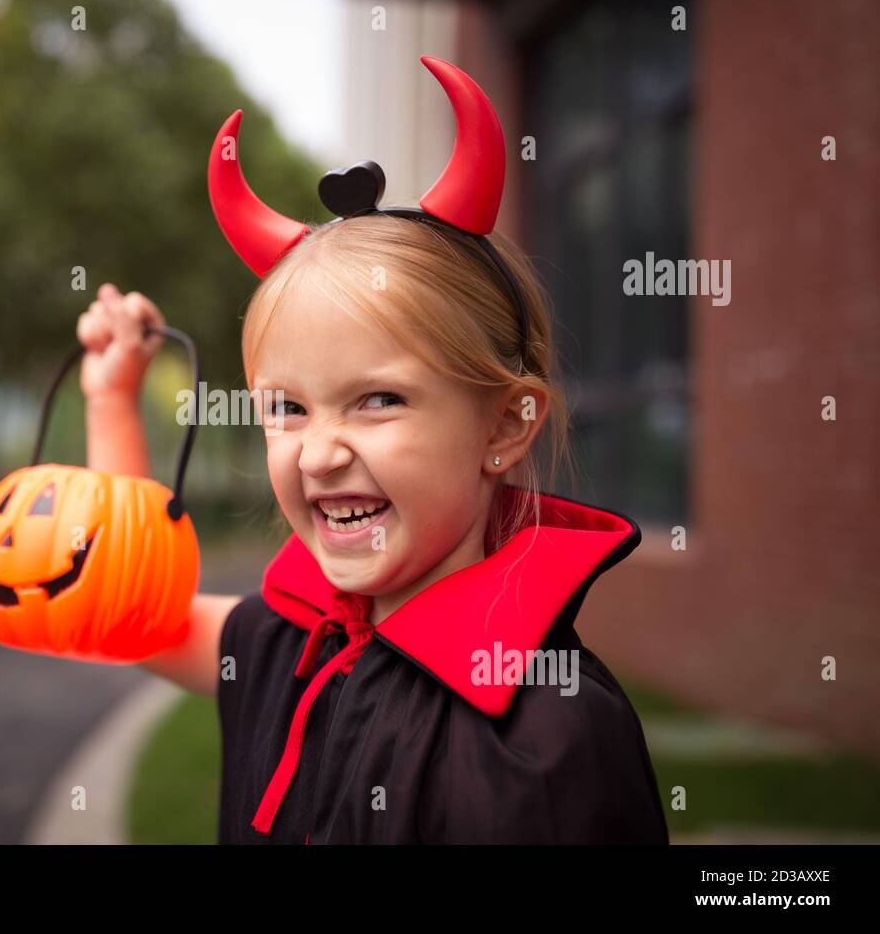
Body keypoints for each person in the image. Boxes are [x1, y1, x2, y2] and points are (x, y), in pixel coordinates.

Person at [76, 57, 669, 845]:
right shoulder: (285, 642)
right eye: (287, 407)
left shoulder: (551, 736)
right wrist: (111, 400)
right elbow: (124, 611)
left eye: (379, 399)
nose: (318, 454)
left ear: (505, 426)